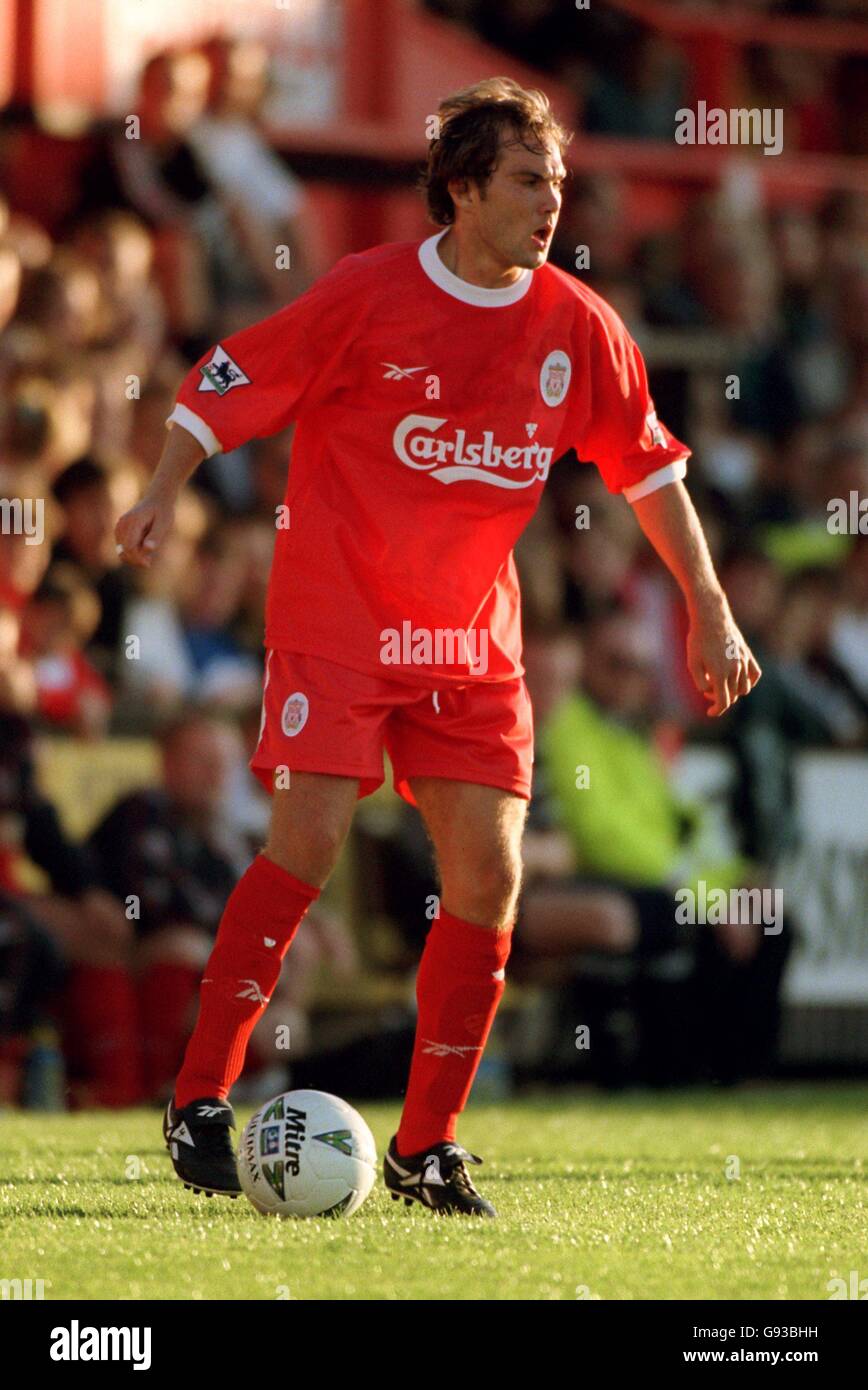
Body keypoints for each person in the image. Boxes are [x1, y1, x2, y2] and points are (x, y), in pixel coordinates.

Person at [115, 78, 761, 1217]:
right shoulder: (366, 293)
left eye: (557, 182)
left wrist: (708, 606)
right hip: (340, 621)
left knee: (492, 875)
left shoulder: (579, 324)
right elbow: (228, 374)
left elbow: (650, 474)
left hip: (471, 641)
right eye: (527, 180)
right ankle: (199, 1101)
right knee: (307, 844)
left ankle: (427, 1146)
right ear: (461, 189)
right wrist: (165, 485)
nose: (551, 201)